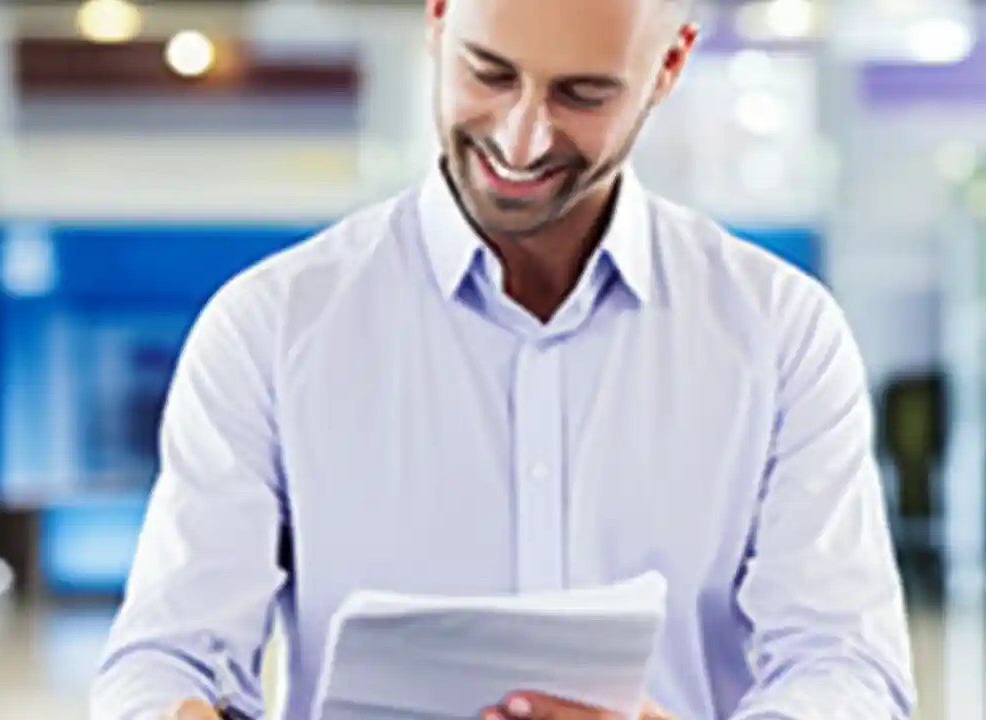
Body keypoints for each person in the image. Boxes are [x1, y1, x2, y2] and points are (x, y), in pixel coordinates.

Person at [90, 0, 917, 717]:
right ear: (438, 19)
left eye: (582, 94)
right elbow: (166, 657)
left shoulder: (780, 334)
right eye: (490, 74)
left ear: (669, 65)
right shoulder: (268, 329)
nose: (522, 139)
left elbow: (845, 666)